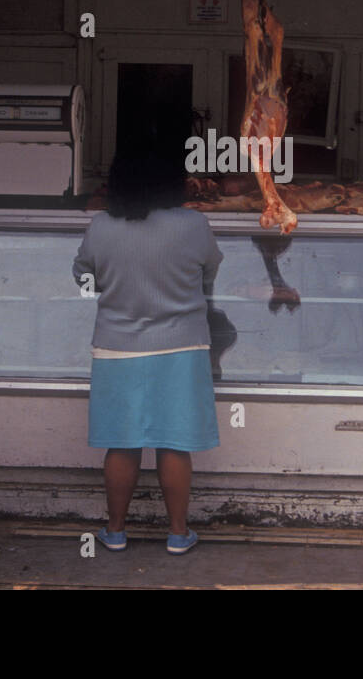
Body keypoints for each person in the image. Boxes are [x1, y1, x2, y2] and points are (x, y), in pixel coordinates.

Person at [72, 149, 222, 555]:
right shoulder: (194, 224)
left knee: (122, 443)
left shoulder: (101, 225)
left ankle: (116, 531)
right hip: (182, 346)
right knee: (174, 443)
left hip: (117, 347)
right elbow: (209, 271)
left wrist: (113, 287)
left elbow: (82, 274)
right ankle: (177, 533)